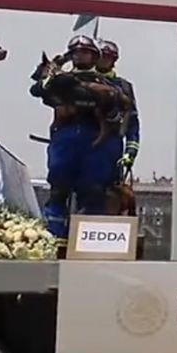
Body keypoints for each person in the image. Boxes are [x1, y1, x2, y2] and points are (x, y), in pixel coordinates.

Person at [33, 34, 107, 238]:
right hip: (65, 136)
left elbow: (117, 109)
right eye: (76, 52)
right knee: (58, 187)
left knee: (92, 191)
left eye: (85, 52)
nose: (80, 56)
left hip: (93, 138)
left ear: (94, 57)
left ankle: (90, 238)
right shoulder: (59, 79)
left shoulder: (106, 83)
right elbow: (38, 90)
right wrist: (53, 72)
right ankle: (53, 233)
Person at [96, 39, 140, 176]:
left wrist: (130, 151)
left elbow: (132, 121)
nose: (104, 60)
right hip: (84, 141)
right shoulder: (81, 80)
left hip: (112, 143)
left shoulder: (124, 87)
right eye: (101, 56)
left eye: (108, 57)